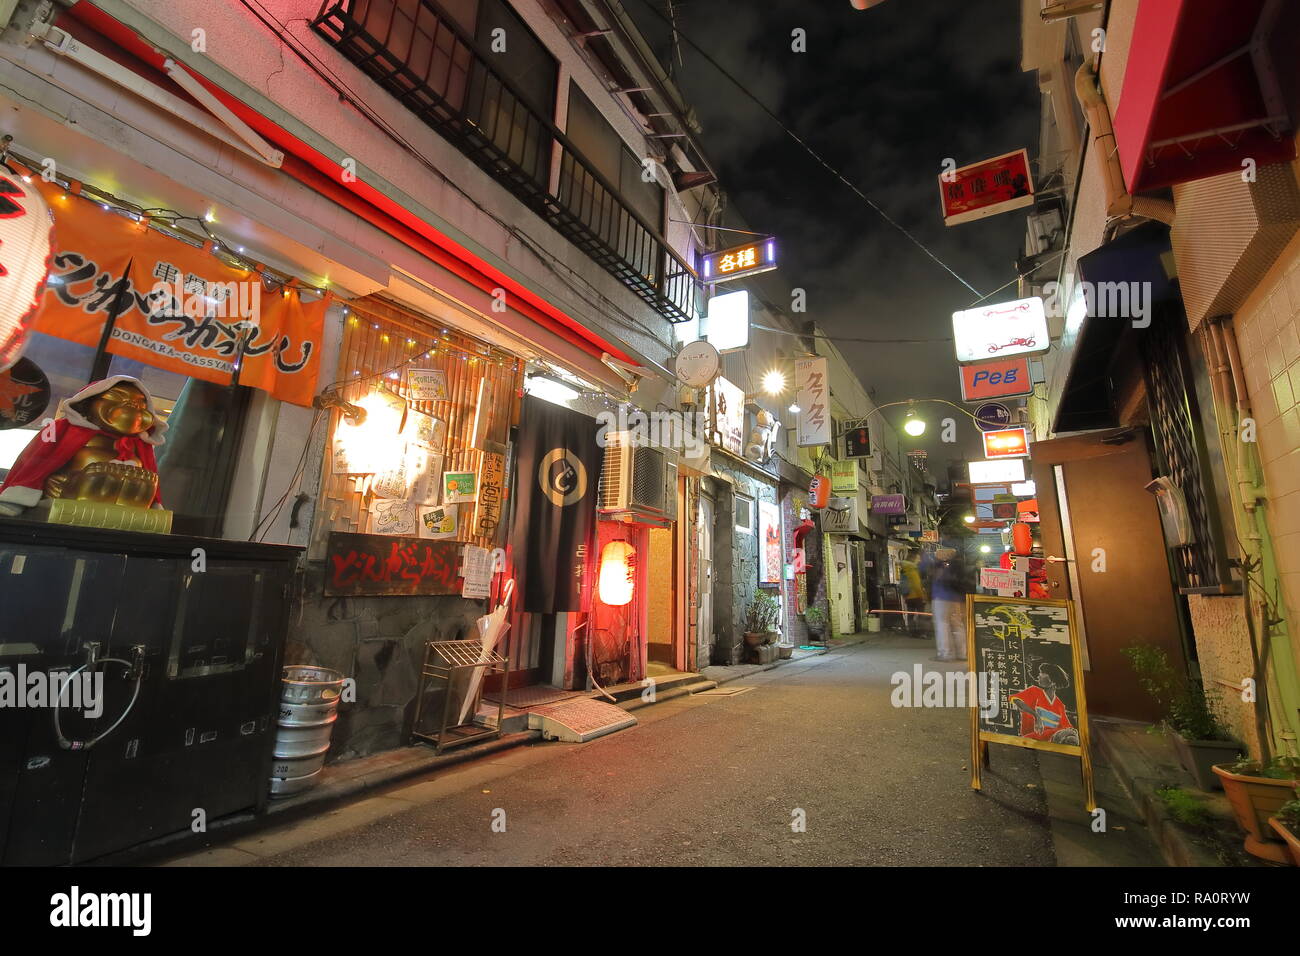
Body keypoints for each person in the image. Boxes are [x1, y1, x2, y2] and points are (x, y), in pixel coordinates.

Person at [929, 546, 970, 661]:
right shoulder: (959, 565)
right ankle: (962, 653)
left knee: (942, 624)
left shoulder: (941, 566)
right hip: (956, 598)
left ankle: (945, 653)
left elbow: (936, 578)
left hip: (941, 597)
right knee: (957, 625)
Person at [898, 550, 927, 637]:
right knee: (921, 615)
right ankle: (922, 633)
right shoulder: (912, 569)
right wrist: (923, 595)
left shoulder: (904, 569)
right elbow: (916, 584)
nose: (919, 560)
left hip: (908, 596)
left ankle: (912, 632)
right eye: (918, 558)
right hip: (916, 596)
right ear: (913, 559)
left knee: (910, 615)